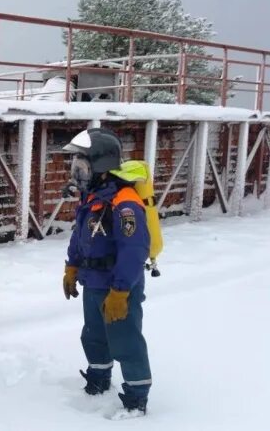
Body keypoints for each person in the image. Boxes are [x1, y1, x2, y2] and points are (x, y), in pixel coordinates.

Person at [62, 128, 152, 416]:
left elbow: (135, 250)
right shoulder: (92, 197)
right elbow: (80, 236)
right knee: (93, 335)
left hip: (118, 286)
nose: (77, 174)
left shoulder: (124, 202)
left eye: (82, 167)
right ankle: (99, 379)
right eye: (75, 167)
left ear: (100, 166)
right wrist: (72, 266)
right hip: (94, 282)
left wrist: (122, 290)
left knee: (125, 339)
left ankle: (137, 396)